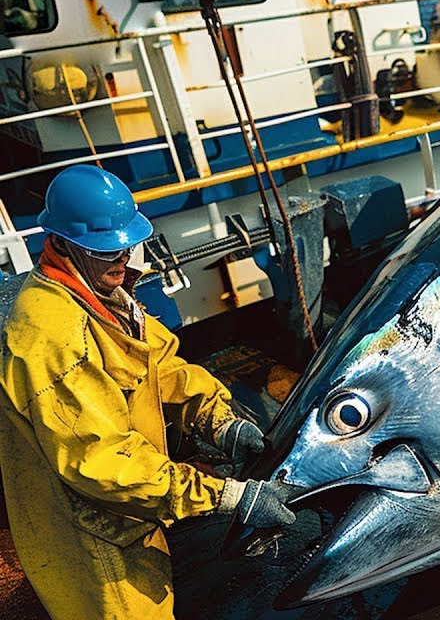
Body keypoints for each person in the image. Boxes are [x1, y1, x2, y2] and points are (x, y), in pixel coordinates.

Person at [0, 165, 296, 619]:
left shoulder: (100, 292)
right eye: (108, 249)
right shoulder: (51, 338)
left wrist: (218, 420)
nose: (124, 258)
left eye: (126, 245)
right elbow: (101, 463)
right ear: (62, 243)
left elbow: (160, 365)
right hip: (92, 534)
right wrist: (223, 497)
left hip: (131, 508)